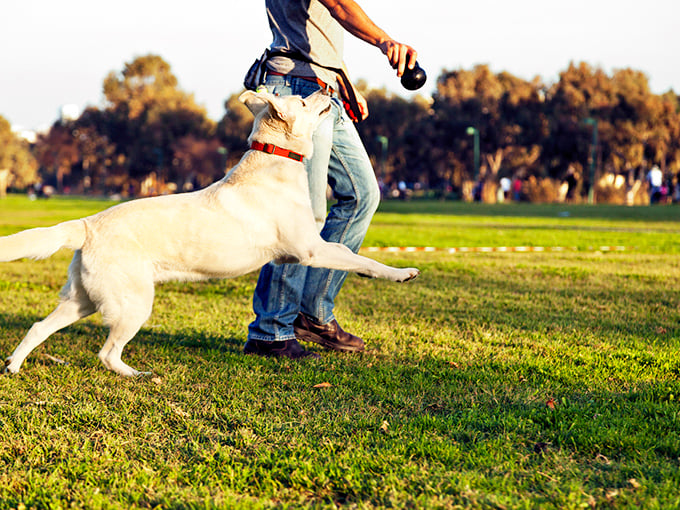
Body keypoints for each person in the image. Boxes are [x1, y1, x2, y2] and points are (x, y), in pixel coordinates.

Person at [243, 0, 418, 359]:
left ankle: (313, 314)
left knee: (362, 194)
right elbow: (338, 5)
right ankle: (271, 331)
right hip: (297, 91)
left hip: (323, 89)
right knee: (302, 217)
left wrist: (343, 83)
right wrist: (385, 41)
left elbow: (317, 31)